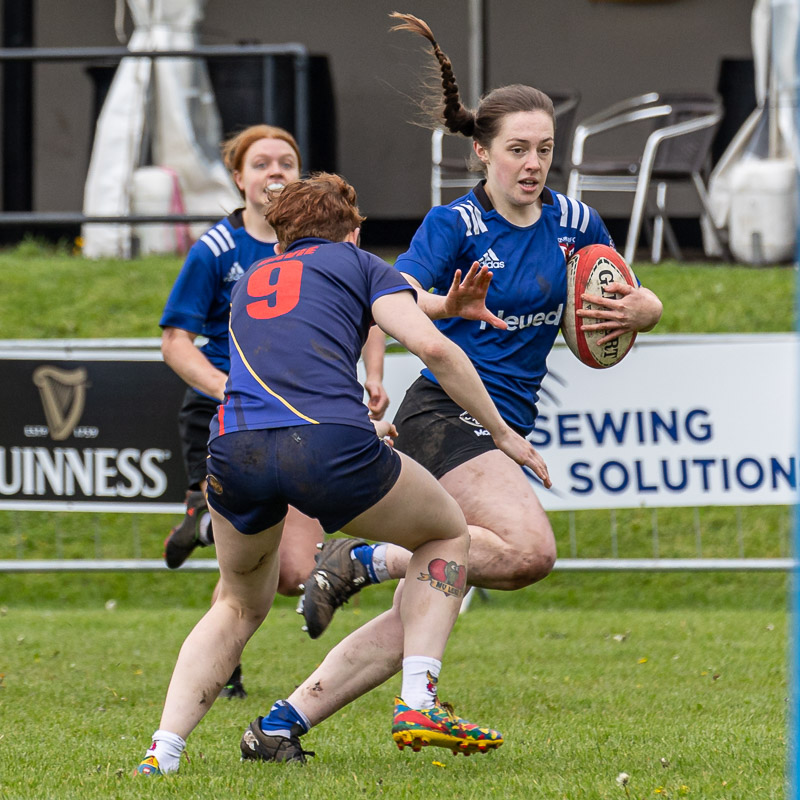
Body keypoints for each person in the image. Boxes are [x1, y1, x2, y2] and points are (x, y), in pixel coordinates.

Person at [245, 11, 663, 760]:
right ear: (482, 151)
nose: (532, 164)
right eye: (517, 150)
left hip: (502, 418)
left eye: (544, 149)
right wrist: (447, 305)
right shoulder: (456, 224)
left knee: (429, 596)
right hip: (446, 413)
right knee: (529, 551)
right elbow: (395, 301)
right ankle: (368, 560)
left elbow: (619, 296)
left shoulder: (576, 221)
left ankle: (279, 725)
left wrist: (645, 310)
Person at [135, 172, 551, 776]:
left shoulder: (252, 279)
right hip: (325, 445)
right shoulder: (359, 264)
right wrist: (504, 433)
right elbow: (434, 348)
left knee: (236, 604)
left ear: (282, 238)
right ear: (353, 232)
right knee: (446, 533)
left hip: (234, 449)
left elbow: (294, 363)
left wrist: (437, 309)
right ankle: (419, 702)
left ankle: (162, 753)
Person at [159, 124, 389, 698]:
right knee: (243, 567)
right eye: (261, 164)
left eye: (286, 161)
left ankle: (204, 522)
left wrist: (373, 376)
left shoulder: (323, 246)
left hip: (306, 415)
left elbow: (374, 307)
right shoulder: (217, 249)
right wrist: (231, 387)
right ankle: (223, 664)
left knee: (292, 573)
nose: (276, 172)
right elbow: (175, 341)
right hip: (232, 416)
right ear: (238, 179)